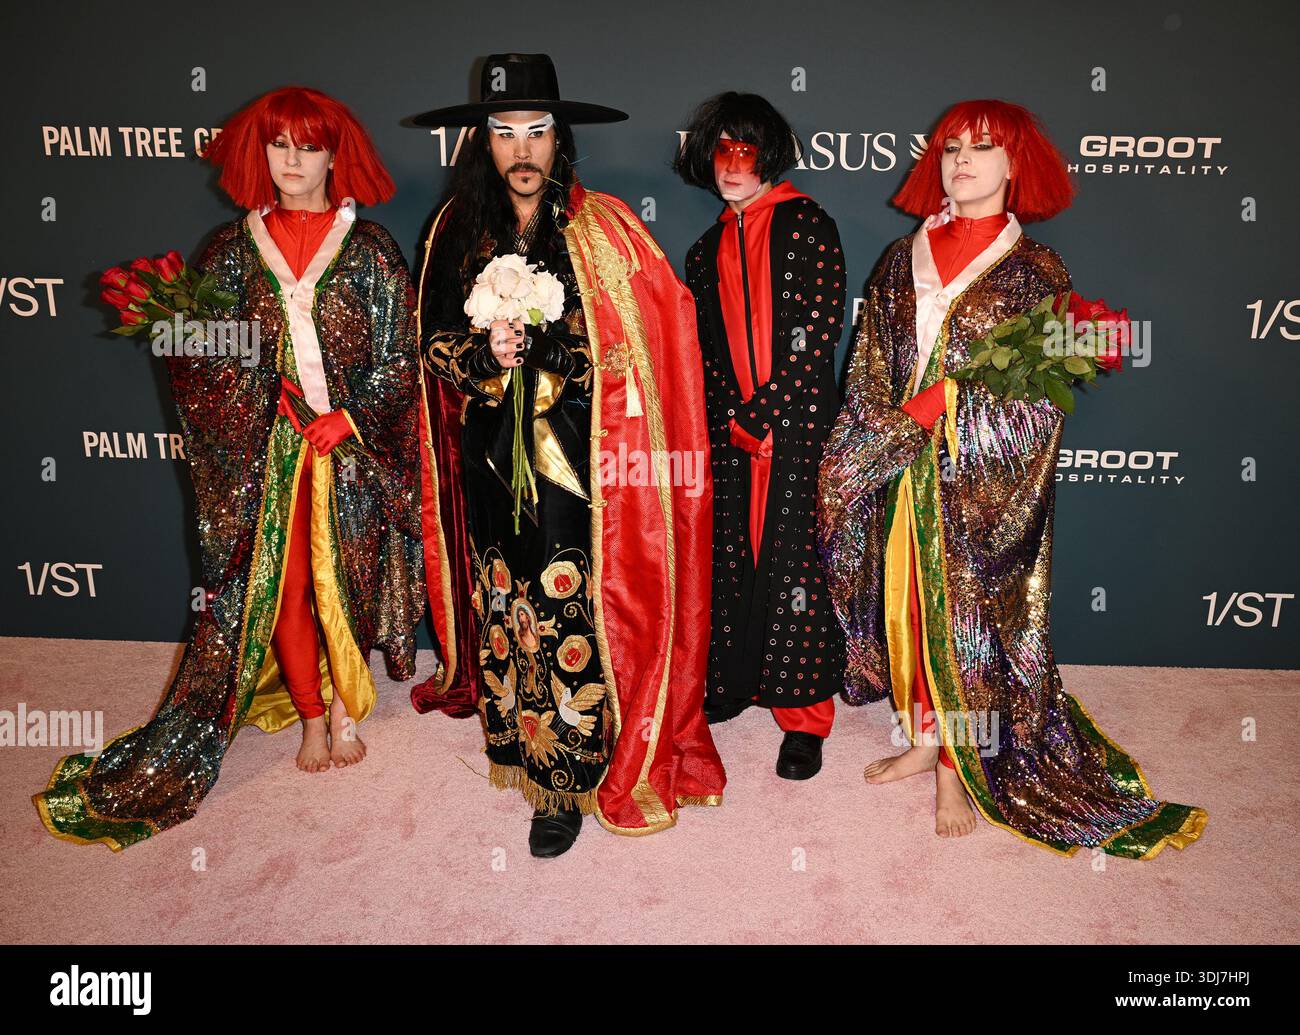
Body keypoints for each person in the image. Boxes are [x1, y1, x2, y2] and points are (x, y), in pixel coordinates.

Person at [34, 86, 425, 849]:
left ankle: (348, 703)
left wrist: (348, 417)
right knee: (278, 587)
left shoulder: (373, 247)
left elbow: (399, 354)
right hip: (271, 453)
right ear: (260, 153)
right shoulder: (230, 249)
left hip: (346, 450)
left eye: (307, 146)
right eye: (279, 144)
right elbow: (216, 362)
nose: (292, 160)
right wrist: (239, 380)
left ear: (334, 155)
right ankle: (314, 717)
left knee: (341, 576)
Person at [817, 98, 1206, 858]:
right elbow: (868, 360)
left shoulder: (1037, 269)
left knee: (965, 621)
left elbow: (1036, 401)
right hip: (901, 462)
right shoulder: (902, 255)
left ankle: (961, 767)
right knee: (907, 606)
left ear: (1014, 164)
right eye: (952, 146)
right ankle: (926, 739)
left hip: (976, 483)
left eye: (984, 147)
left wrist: (952, 407)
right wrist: (882, 434)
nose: (963, 160)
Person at [408, 53, 725, 858]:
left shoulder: (604, 227)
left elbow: (642, 351)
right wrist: (483, 357)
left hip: (579, 461)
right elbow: (433, 340)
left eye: (537, 133)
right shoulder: (454, 229)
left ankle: (566, 779)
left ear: (560, 139)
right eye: (504, 131)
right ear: (482, 141)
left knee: (565, 602)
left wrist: (553, 350)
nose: (521, 149)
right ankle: (517, 743)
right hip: (486, 452)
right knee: (504, 597)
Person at [677, 92, 846, 780]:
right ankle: (738, 681)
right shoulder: (703, 247)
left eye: (747, 149)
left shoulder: (808, 223)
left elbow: (820, 330)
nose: (734, 164)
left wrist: (766, 411)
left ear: (770, 154)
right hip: (730, 432)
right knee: (731, 558)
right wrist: (729, 422)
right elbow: (706, 355)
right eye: (722, 149)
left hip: (797, 424)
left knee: (795, 564)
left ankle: (805, 716)